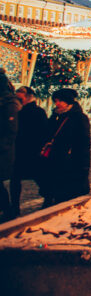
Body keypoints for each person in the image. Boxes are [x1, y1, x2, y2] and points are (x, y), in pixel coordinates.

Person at [40, 88, 91, 207]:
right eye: (56, 101)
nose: (57, 104)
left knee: (67, 187)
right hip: (54, 157)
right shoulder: (56, 116)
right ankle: (49, 200)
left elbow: (84, 142)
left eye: (60, 101)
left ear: (68, 101)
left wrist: (82, 162)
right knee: (52, 182)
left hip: (70, 158)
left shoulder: (79, 117)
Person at [10, 87, 47, 218]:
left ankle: (48, 197)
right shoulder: (19, 111)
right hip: (20, 150)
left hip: (31, 150)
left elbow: (43, 132)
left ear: (28, 97)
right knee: (15, 179)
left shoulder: (37, 112)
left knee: (38, 177)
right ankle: (14, 207)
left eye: (20, 98)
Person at [0, 75, 20, 221]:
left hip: (3, 149)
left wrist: (3, 146)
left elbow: (11, 130)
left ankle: (7, 211)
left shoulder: (8, 103)